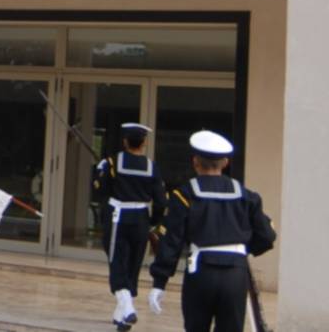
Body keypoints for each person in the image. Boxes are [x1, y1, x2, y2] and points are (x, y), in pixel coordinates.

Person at [148, 131, 277, 332]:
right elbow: (267, 236)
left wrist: (160, 281)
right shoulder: (246, 196)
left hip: (201, 271)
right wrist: (241, 248)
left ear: (195, 162)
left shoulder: (185, 194)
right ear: (225, 162)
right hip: (235, 273)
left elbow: (172, 241)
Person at [91, 122, 167, 330]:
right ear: (143, 143)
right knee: (133, 263)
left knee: (117, 262)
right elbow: (161, 201)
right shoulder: (152, 167)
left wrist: (100, 172)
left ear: (125, 141)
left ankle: (128, 307)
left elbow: (100, 190)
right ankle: (121, 315)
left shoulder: (113, 162)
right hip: (141, 218)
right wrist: (153, 221)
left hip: (118, 216)